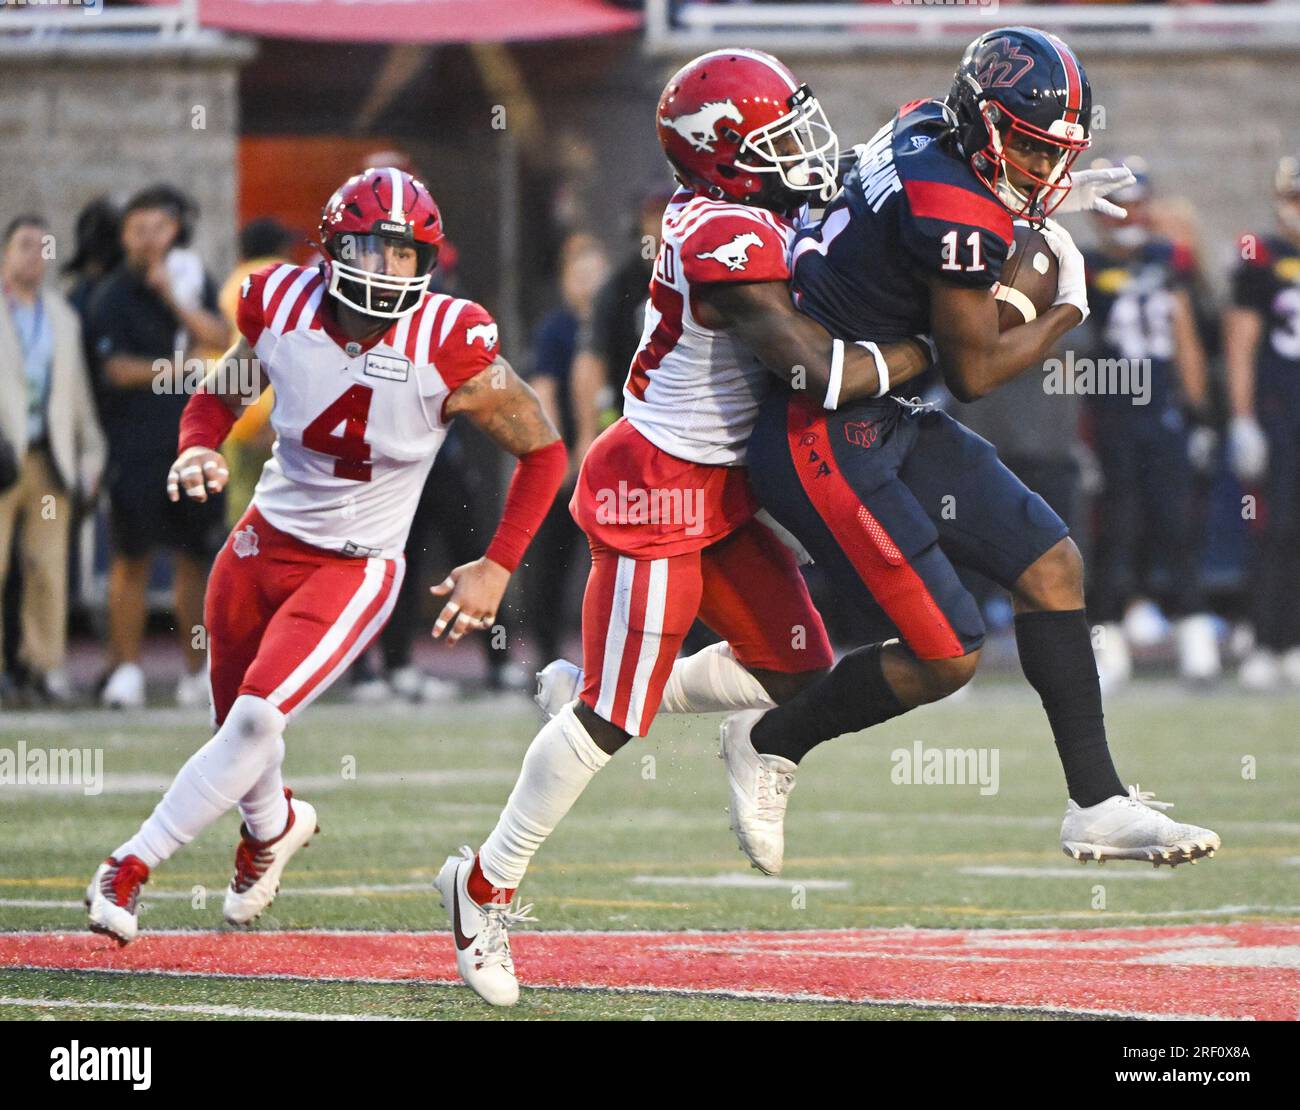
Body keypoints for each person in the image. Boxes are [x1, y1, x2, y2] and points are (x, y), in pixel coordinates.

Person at [434, 49, 934, 1007]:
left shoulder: (763, 207)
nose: (805, 149)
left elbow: (873, 196)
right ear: (722, 156)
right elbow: (804, 363)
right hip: (657, 484)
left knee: (797, 674)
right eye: (778, 135)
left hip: (722, 486)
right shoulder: (716, 231)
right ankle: (484, 885)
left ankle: (629, 694)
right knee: (611, 718)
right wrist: (928, 344)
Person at [730, 27, 1220, 876]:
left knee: (1052, 564)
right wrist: (1063, 307)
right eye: (1029, 147)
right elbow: (975, 370)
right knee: (948, 654)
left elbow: (942, 216)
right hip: (819, 429)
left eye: (1053, 151)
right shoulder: (951, 208)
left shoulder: (925, 123)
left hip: (879, 403)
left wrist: (1028, 211)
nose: (1042, 167)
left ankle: (1096, 802)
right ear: (985, 123)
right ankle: (770, 741)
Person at [85, 167, 567, 946]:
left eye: (405, 254)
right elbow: (222, 390)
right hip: (260, 542)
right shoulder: (280, 302)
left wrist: (499, 564)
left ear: (428, 260)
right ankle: (272, 829)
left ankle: (130, 866)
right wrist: (197, 446)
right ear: (335, 247)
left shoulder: (449, 340)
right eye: (372, 250)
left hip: (355, 562)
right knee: (237, 730)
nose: (388, 269)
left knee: (250, 725)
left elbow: (545, 452)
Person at [87, 186, 231, 709]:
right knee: (132, 557)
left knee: (195, 555)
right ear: (124, 234)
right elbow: (116, 368)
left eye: (158, 227)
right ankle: (126, 670)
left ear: (175, 231)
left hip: (193, 444)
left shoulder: (190, 280)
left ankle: (198, 671)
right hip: (137, 448)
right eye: (137, 228)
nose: (148, 238)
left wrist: (174, 297)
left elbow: (221, 335)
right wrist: (178, 369)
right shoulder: (112, 295)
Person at [1078, 159, 1219, 688]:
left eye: (1138, 201)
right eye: (1121, 202)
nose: (1129, 213)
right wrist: (1078, 424)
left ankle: (1195, 634)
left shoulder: (1168, 258)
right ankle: (1108, 637)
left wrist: (1200, 412)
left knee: (1177, 523)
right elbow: (1068, 352)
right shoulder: (1083, 266)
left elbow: (1186, 336)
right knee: (1117, 526)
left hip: (1163, 412)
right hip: (1110, 413)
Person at [0, 215, 106, 704]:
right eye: (24, 245)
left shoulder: (62, 316)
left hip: (48, 456)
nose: (34, 256)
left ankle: (44, 665)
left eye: (43, 247)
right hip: (3, 455)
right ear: (5, 253)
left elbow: (77, 393)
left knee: (47, 566)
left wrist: (91, 452)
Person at [1225, 156, 1300, 689]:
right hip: (1280, 412)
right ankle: (1268, 638)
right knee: (1276, 528)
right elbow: (1241, 342)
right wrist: (1243, 417)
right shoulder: (1260, 255)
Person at [521, 234, 608, 665]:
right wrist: (560, 455)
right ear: (564, 280)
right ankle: (546, 658)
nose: (589, 283)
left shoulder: (623, 321)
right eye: (580, 274)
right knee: (553, 562)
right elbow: (544, 390)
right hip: (573, 466)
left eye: (596, 273)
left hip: (618, 468)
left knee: (621, 568)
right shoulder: (556, 330)